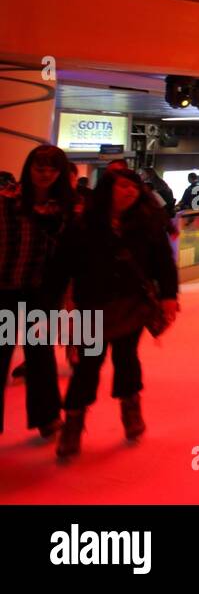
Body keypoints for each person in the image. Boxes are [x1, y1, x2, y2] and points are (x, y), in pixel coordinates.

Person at [56, 168, 180, 458]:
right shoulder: (83, 224)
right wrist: (51, 305)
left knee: (127, 358)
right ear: (107, 190)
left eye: (133, 187)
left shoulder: (147, 223)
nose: (129, 191)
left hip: (130, 303)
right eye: (122, 186)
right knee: (87, 364)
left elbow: (163, 261)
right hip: (92, 306)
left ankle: (130, 408)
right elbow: (62, 266)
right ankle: (73, 422)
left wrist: (169, 296)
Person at [1, 145, 76, 441]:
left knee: (40, 356)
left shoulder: (66, 211)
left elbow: (69, 256)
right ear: (28, 168)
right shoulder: (7, 201)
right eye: (39, 167)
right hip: (5, 288)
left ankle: (46, 417)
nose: (44, 173)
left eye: (51, 168)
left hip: (41, 293)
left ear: (60, 173)